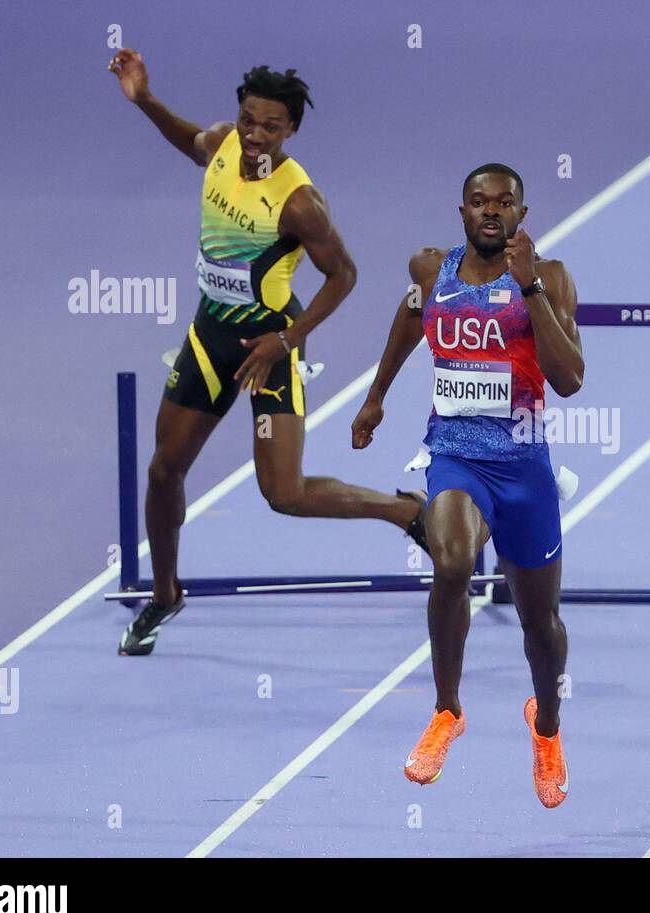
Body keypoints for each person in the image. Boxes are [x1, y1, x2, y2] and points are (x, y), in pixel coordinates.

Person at [108, 50, 428, 656]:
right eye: (249, 120)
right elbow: (194, 143)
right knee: (162, 470)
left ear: (291, 131)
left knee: (283, 494)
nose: (255, 136)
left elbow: (345, 276)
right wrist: (146, 100)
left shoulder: (300, 202)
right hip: (211, 335)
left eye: (271, 127)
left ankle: (402, 511)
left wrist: (287, 339)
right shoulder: (225, 143)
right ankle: (166, 594)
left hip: (271, 344)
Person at [352, 164, 584, 806]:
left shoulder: (552, 277)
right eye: (478, 202)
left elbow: (569, 380)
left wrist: (531, 286)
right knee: (451, 562)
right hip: (455, 455)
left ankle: (547, 726)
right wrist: (376, 399)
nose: (490, 212)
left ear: (521, 212)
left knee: (543, 628)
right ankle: (447, 711)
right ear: (461, 212)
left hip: (524, 467)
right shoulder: (432, 271)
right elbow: (408, 320)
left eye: (503, 203)